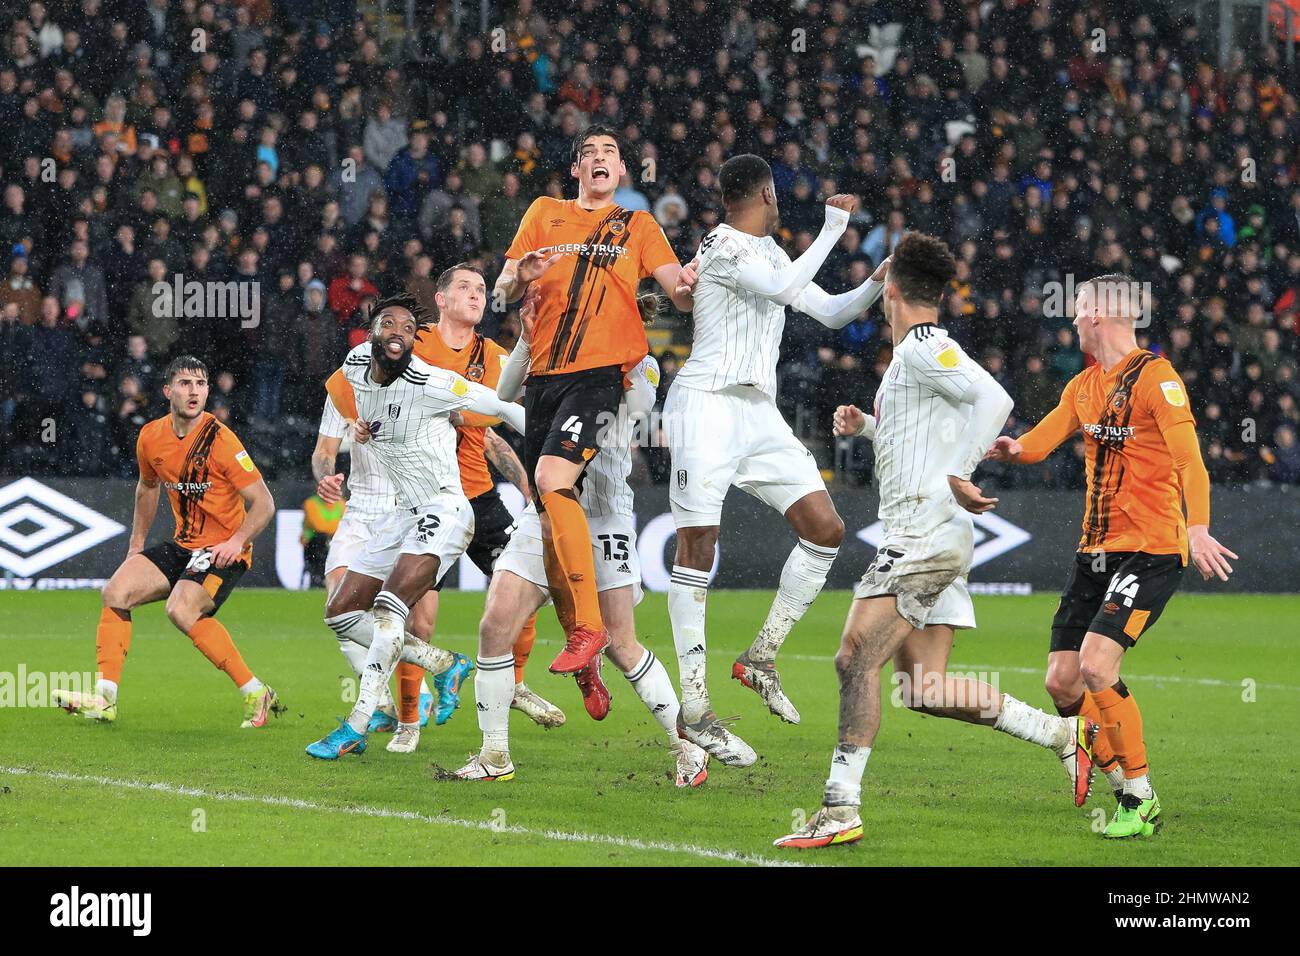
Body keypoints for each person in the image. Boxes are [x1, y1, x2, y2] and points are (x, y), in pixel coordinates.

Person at [776, 234, 1096, 850]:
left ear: (889, 289)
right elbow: (927, 435)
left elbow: (995, 400)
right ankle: (1062, 737)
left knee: (853, 660)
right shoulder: (911, 358)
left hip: (924, 532)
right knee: (923, 688)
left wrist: (964, 471)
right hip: (929, 531)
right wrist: (869, 427)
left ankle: (841, 809)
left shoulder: (923, 346)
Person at [987, 273, 1237, 839]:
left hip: (1151, 549)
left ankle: (1140, 796)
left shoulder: (1158, 379)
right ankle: (1123, 787)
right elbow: (1038, 443)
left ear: (1099, 314)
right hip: (1094, 553)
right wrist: (1011, 450)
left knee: (1098, 666)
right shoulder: (1083, 386)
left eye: (1078, 308)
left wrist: (1196, 528)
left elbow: (1190, 462)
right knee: (1062, 683)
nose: (1072, 317)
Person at [664, 153, 883, 764]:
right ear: (764, 192)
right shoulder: (722, 246)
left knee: (826, 528)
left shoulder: (772, 253)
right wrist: (835, 232)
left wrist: (877, 281)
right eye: (776, 192)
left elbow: (831, 311)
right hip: (706, 403)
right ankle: (697, 707)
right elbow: (788, 292)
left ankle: (760, 655)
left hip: (759, 413)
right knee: (698, 544)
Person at [455, 288, 708, 785]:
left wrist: (607, 353)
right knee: (494, 623)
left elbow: (632, 406)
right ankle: (494, 754)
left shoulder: (641, 363)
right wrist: (530, 340)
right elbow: (507, 394)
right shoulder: (556, 347)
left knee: (620, 642)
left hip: (603, 514)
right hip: (548, 509)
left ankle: (688, 747)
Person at [492, 124, 696, 688]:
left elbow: (678, 290)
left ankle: (588, 630)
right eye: (590, 154)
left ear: (622, 172)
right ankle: (583, 645)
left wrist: (692, 285)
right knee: (547, 504)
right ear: (577, 170)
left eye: (610, 153)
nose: (600, 160)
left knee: (553, 479)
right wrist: (519, 281)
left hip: (599, 376)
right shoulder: (543, 213)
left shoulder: (638, 225)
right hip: (544, 377)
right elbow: (503, 288)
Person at [304, 293, 526, 759]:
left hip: (444, 510)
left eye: (409, 329)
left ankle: (357, 724)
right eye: (390, 325)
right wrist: (357, 429)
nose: (400, 335)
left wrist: (558, 449)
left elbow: (502, 408)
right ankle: (444, 665)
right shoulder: (353, 367)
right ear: (372, 331)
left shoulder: (432, 381)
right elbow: (348, 415)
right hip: (397, 514)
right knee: (340, 613)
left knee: (389, 611)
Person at [52, 357, 283, 729]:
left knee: (180, 609)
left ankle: (256, 692)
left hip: (223, 548)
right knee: (115, 593)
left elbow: (264, 504)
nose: (194, 391)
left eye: (201, 383)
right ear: (167, 391)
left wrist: (238, 540)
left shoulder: (221, 440)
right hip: (184, 545)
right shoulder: (151, 436)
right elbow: (147, 486)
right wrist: (136, 545)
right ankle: (105, 698)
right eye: (186, 383)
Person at [400, 261, 564, 732]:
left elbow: (493, 431)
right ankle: (410, 719)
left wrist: (529, 486)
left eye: (481, 289)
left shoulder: (493, 356)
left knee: (526, 588)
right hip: (425, 498)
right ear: (442, 299)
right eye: (466, 288)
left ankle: (513, 683)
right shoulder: (417, 345)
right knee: (420, 618)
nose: (476, 295)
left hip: (479, 496)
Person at [300, 490, 342, 587]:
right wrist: (334, 531)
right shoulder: (311, 503)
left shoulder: (342, 504)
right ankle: (319, 577)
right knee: (320, 538)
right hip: (314, 544)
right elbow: (318, 526)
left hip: (335, 541)